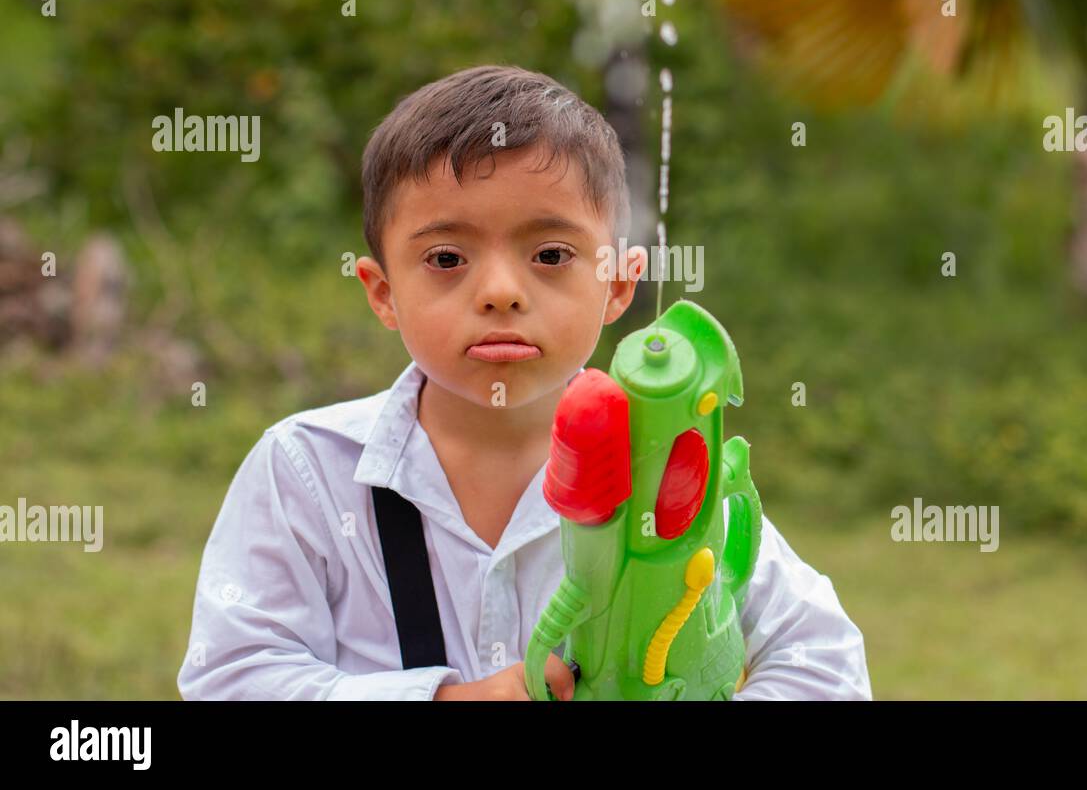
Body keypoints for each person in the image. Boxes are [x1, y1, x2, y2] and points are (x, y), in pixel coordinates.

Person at [176, 65, 872, 700]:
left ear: (620, 285)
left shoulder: (670, 472)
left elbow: (824, 659)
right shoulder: (307, 471)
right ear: (382, 292)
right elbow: (232, 676)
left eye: (550, 254)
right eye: (447, 257)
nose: (502, 291)